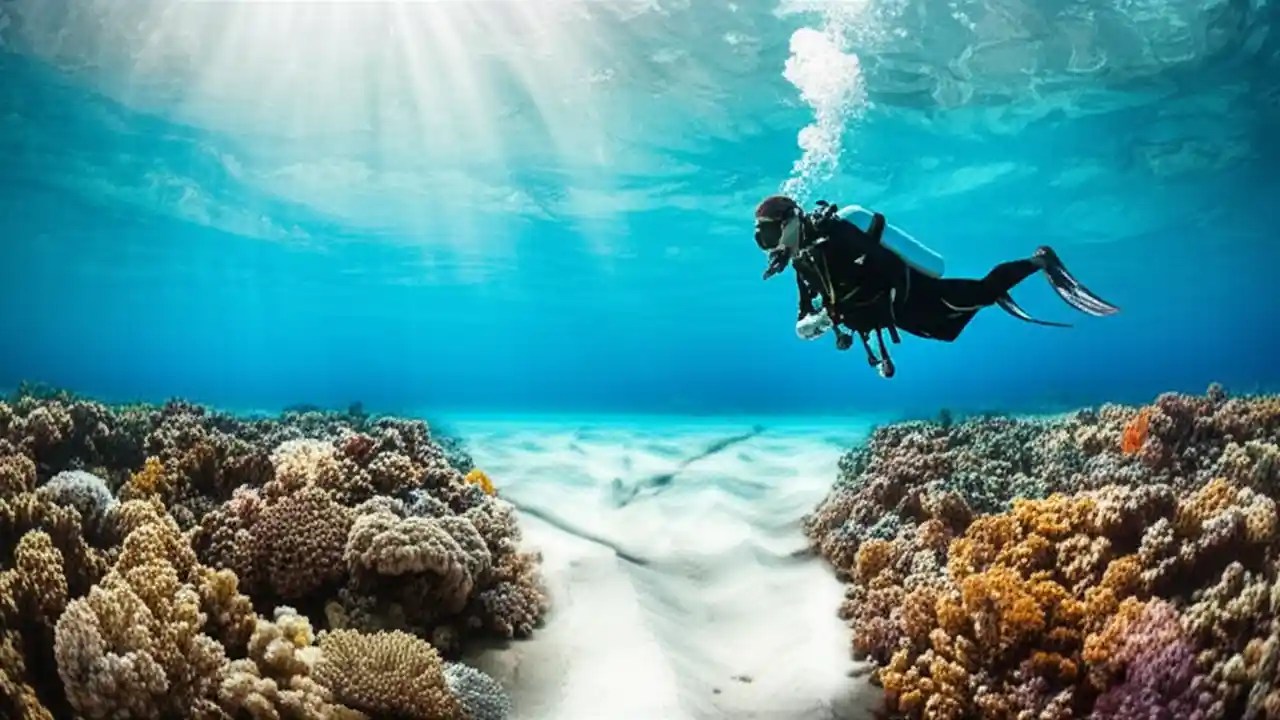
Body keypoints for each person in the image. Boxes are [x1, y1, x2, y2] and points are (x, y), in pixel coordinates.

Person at [753, 195, 1119, 378]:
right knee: (948, 334)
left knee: (983, 291)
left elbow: (891, 266)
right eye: (762, 239)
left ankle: (1041, 260)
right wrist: (816, 322)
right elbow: (804, 315)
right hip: (897, 315)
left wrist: (862, 305)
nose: (772, 246)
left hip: (915, 294)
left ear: (791, 220)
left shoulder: (837, 234)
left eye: (771, 234)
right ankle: (986, 297)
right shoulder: (802, 262)